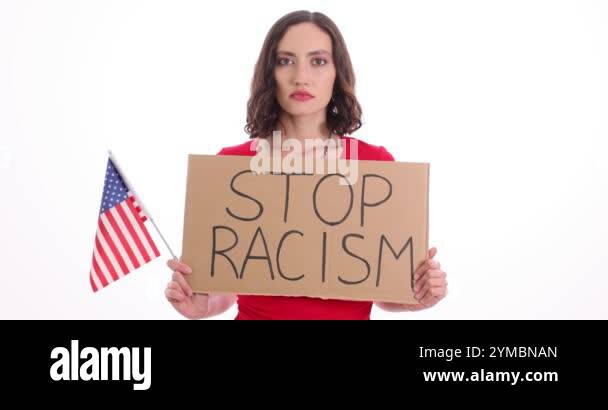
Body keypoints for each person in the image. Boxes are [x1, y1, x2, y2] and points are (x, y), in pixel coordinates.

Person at [165, 10, 447, 320]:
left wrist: (417, 298)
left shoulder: (374, 165)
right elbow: (228, 284)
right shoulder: (233, 166)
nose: (301, 76)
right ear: (269, 72)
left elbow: (380, 286)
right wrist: (201, 305)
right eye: (285, 60)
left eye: (318, 61)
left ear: (337, 73)